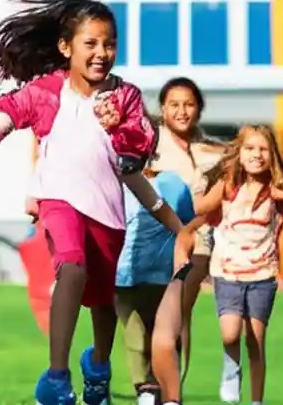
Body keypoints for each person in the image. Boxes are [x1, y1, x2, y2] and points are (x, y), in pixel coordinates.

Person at [0, 0, 184, 405]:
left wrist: (119, 124)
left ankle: (98, 367)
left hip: (108, 215)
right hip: (59, 201)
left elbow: (139, 148)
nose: (102, 52)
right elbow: (13, 105)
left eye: (109, 43)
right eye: (91, 43)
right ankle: (57, 376)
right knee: (72, 267)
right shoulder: (50, 89)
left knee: (102, 305)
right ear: (66, 48)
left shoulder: (126, 96)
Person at [151, 125, 283, 405]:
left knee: (255, 340)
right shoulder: (229, 185)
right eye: (250, 149)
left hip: (262, 274)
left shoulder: (277, 190)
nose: (257, 155)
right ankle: (232, 366)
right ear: (239, 154)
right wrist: (189, 199)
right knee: (230, 333)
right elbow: (201, 210)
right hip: (228, 272)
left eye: (263, 149)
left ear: (272, 155)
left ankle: (256, 400)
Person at [147, 77, 234, 398]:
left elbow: (215, 204)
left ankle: (170, 387)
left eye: (188, 104)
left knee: (178, 310)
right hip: (152, 242)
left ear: (198, 107)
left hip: (198, 244)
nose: (182, 111)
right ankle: (152, 383)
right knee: (152, 314)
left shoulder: (213, 151)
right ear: (163, 109)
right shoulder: (150, 147)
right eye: (174, 104)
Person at [114, 161, 197, 405]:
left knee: (165, 334)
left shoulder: (171, 183)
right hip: (122, 273)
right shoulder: (111, 181)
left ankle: (168, 391)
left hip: (162, 274)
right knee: (134, 335)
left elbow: (189, 224)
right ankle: (145, 388)